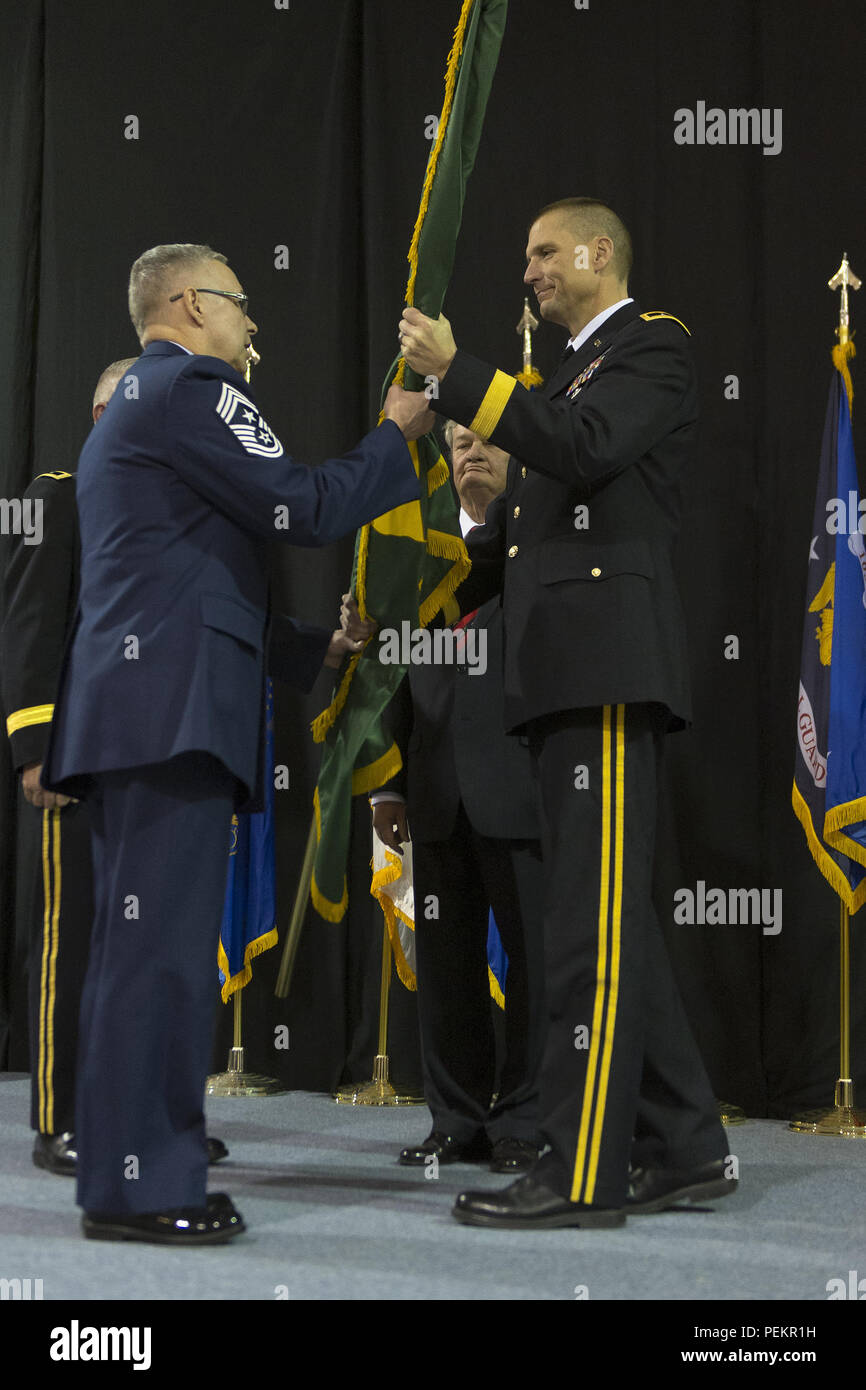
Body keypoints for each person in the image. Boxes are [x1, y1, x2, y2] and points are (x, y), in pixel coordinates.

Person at [41, 242, 432, 1244]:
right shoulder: (193, 388)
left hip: (139, 711)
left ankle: (129, 1165)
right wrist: (392, 436)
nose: (252, 326)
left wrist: (311, 646)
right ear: (184, 303)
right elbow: (301, 504)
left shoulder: (132, 408)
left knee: (140, 957)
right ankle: (142, 1186)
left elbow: (185, 576)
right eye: (239, 304)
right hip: (169, 717)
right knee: (160, 961)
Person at [399, 198, 733, 1228]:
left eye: (544, 252)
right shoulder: (557, 380)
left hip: (602, 672)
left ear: (596, 253)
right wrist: (406, 601)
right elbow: (510, 551)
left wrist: (459, 373)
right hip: (557, 676)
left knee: (583, 931)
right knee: (609, 921)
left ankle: (578, 1169)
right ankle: (681, 1146)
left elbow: (581, 448)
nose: (531, 271)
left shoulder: (650, 346)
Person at [370, 422, 545, 1174]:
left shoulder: (538, 542)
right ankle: (457, 1119)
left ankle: (528, 1119)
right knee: (447, 968)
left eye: (486, 441)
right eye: (457, 443)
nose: (470, 453)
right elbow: (396, 671)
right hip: (437, 787)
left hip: (526, 785)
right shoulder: (422, 554)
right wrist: (388, 779)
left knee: (537, 967)